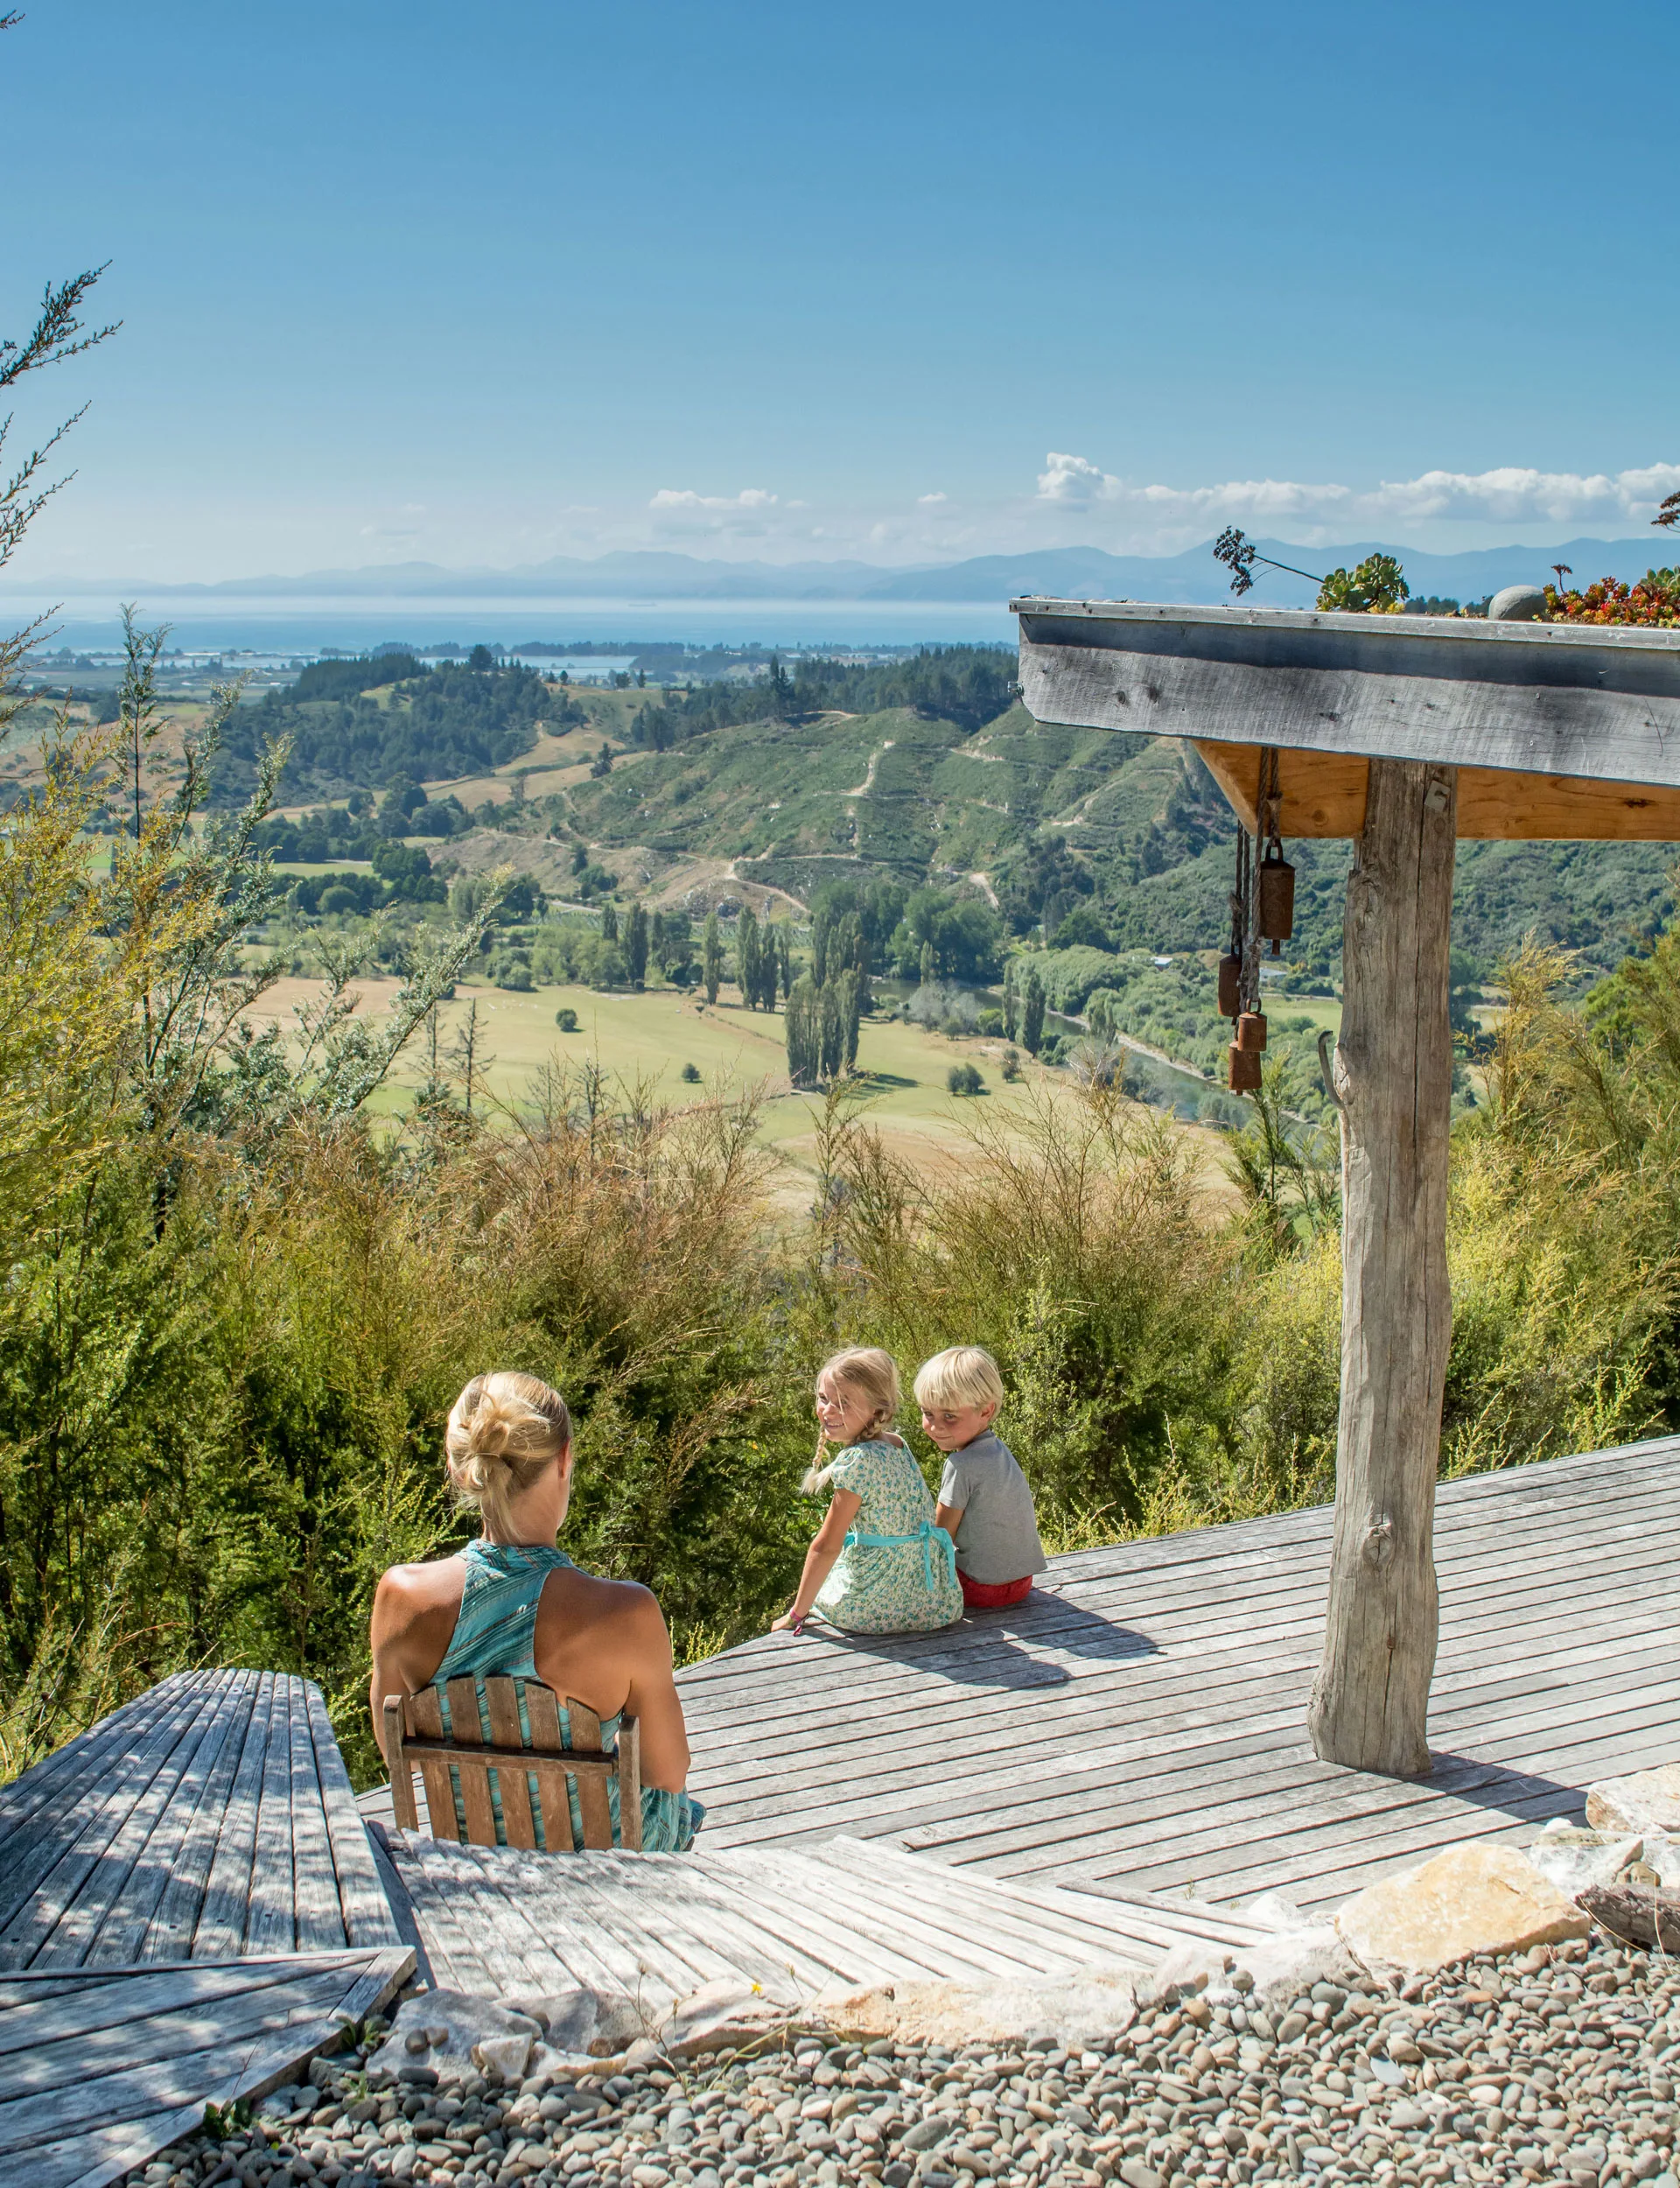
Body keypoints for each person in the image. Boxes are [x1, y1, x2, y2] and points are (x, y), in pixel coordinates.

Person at [368, 1371, 703, 1851]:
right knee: (677, 1803)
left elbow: (400, 1756)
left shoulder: (401, 1597)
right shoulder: (626, 1612)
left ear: (463, 1468)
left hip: (472, 1860)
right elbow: (667, 1774)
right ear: (564, 1459)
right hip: (602, 1866)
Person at [772, 1347, 962, 1636]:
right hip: (929, 1600)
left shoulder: (857, 1461)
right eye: (824, 1398)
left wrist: (796, 1614)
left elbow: (826, 1547)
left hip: (875, 1606)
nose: (828, 1410)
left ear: (876, 1409)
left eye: (843, 1403)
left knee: (823, 1590)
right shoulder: (897, 1444)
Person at [920, 1345, 1046, 1609]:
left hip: (980, 1588)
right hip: (1022, 1583)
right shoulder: (1000, 1451)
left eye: (949, 1416)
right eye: (928, 1413)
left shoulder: (960, 1464)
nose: (935, 1426)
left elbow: (941, 1538)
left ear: (986, 1411)